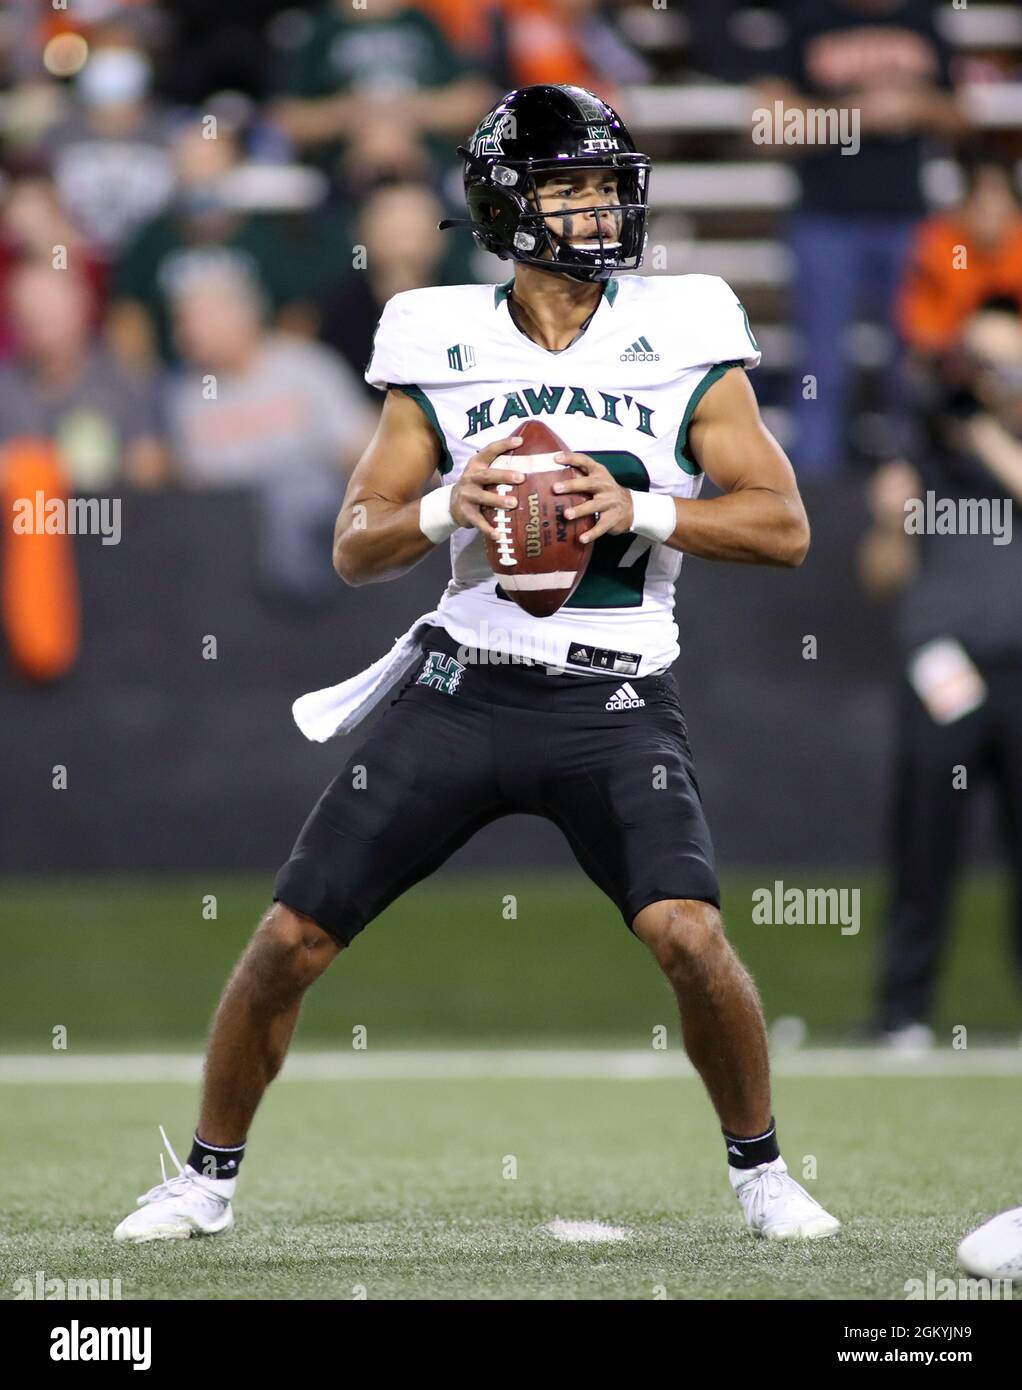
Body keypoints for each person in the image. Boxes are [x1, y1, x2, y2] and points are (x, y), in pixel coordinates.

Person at [113, 84, 839, 1245]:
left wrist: (642, 507)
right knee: (290, 935)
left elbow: (782, 526)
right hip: (463, 682)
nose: (600, 211)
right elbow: (356, 544)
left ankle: (760, 1172)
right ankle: (203, 1178)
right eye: (573, 189)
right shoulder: (436, 333)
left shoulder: (688, 324)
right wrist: (452, 498)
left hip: (613, 695)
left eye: (609, 187)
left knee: (688, 933)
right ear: (509, 207)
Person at [859, 298, 1022, 1045]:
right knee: (924, 846)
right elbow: (881, 577)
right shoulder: (923, 455)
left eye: (1002, 365)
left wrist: (986, 432)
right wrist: (893, 520)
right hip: (945, 675)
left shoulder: (998, 445)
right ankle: (902, 1015)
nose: (985, 379)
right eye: (977, 362)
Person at [753, 0, 968, 476]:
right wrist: (854, 114)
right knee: (822, 369)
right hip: (825, 219)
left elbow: (961, 115)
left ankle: (920, 482)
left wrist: (916, 104)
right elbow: (767, 126)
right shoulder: (807, 18)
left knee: (917, 364)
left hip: (909, 221)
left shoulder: (921, 17)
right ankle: (813, 501)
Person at [167, 263, 376, 603]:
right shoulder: (188, 396)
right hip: (233, 570)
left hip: (332, 557)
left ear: (239, 313)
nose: (183, 335)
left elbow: (363, 450)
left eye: (192, 319)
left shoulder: (306, 366)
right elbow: (196, 487)